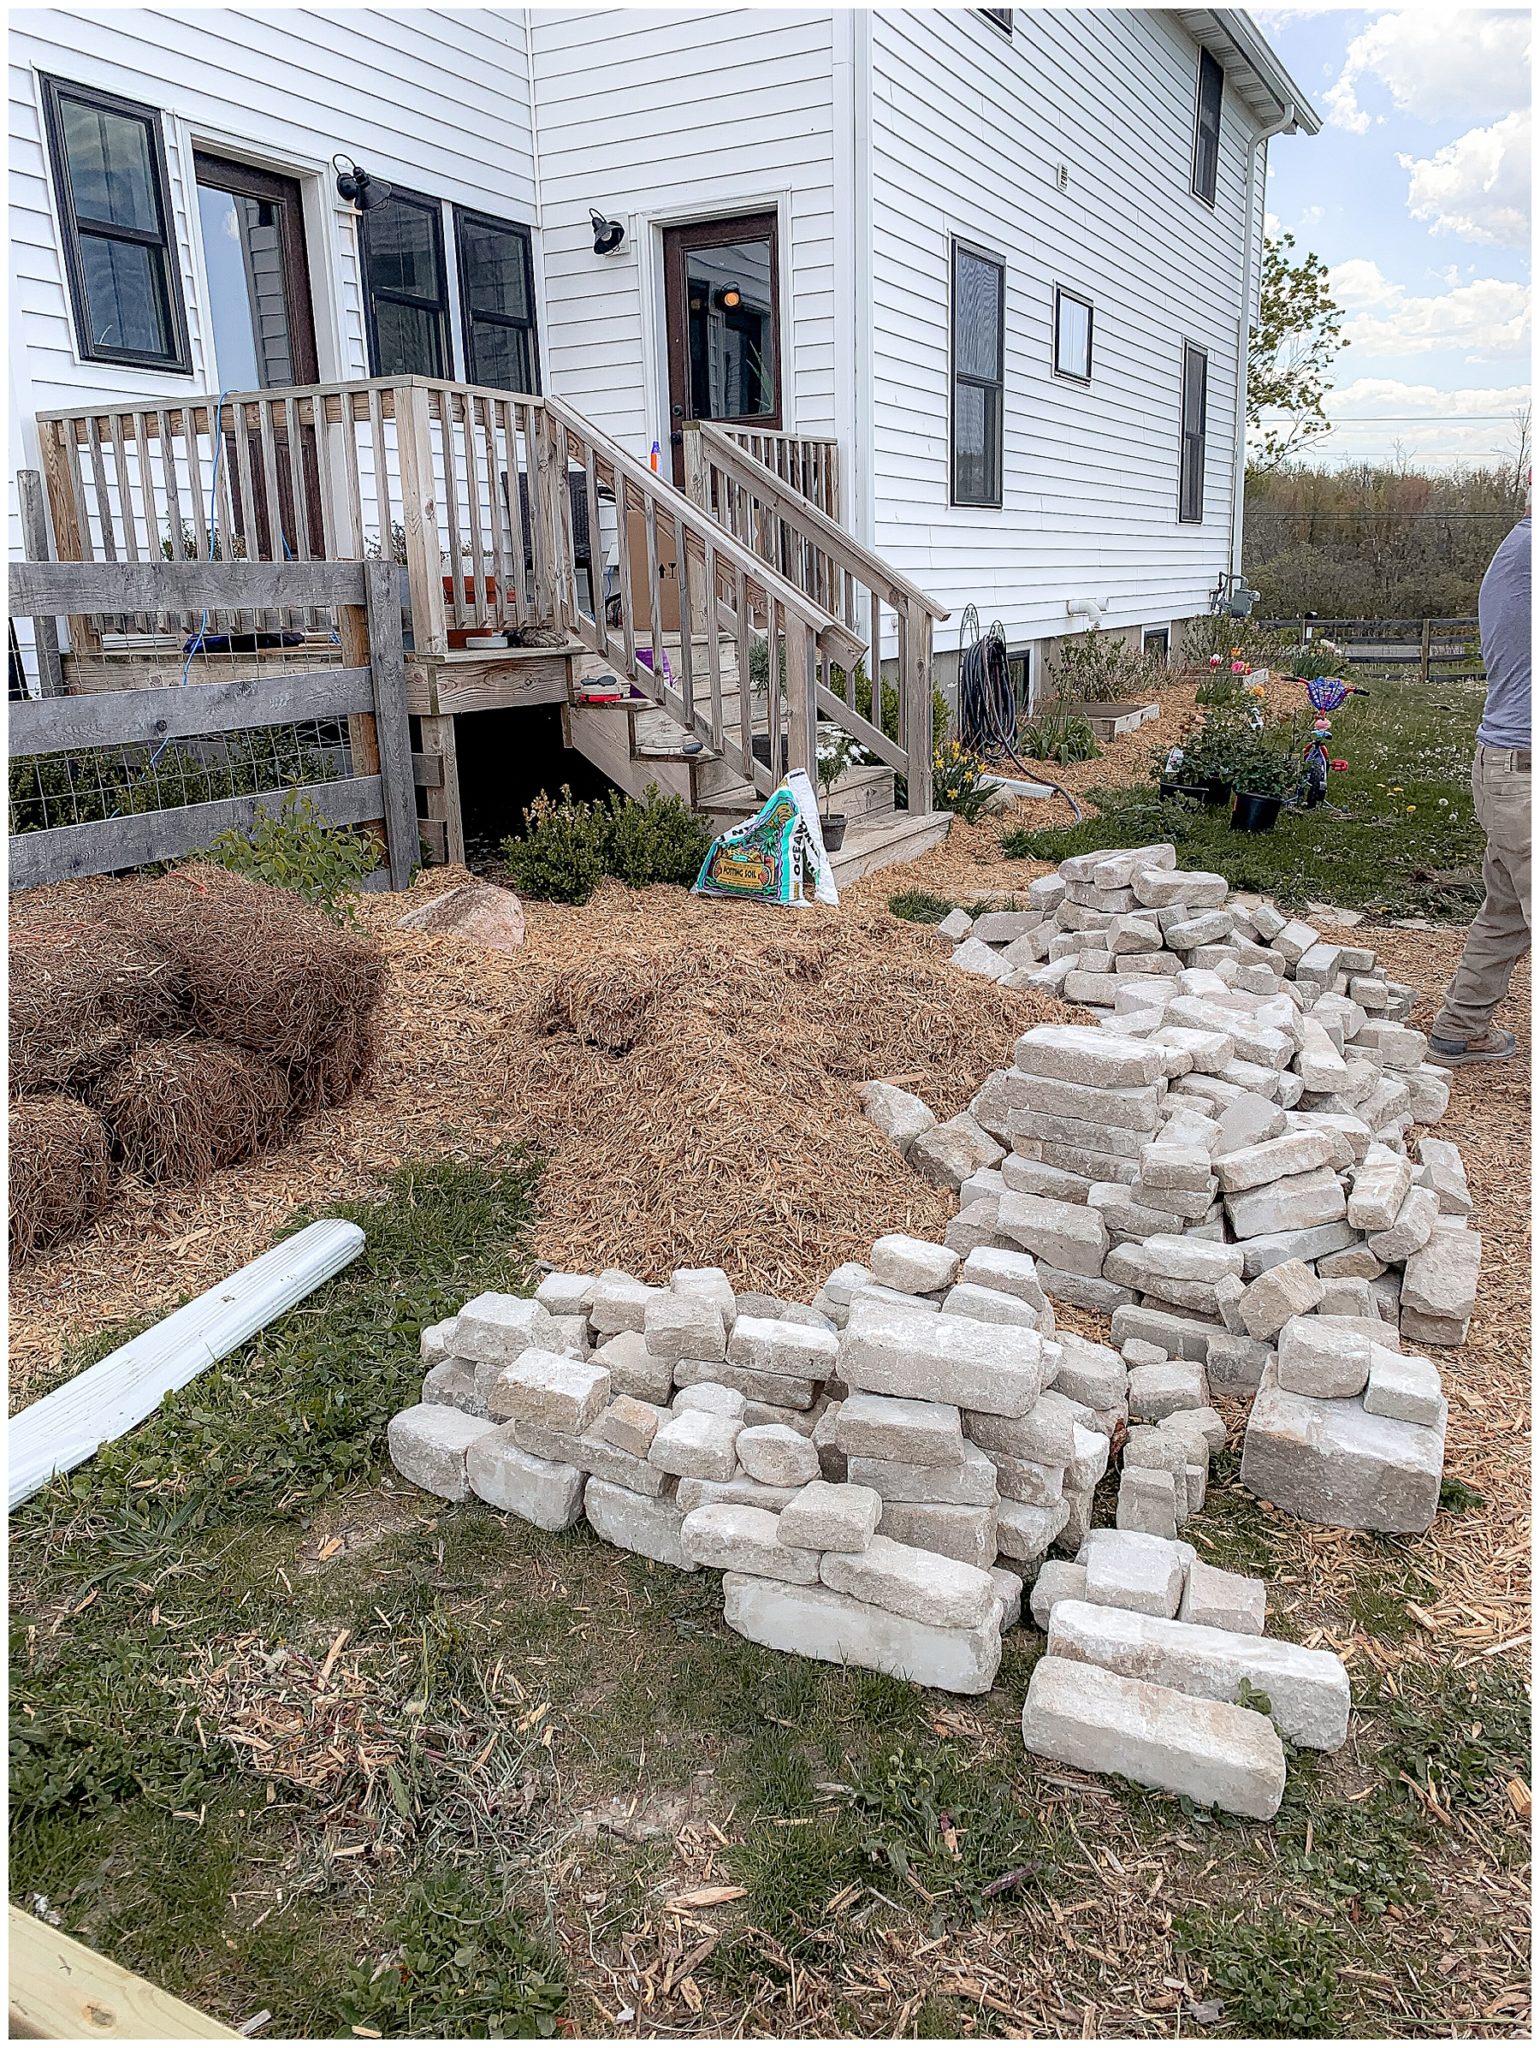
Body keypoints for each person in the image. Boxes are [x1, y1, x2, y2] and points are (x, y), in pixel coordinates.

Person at [1428, 491, 1531, 1065]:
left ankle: (1460, 1027)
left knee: (1507, 913)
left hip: (1508, 768)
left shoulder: (1519, 550)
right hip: (1524, 770)